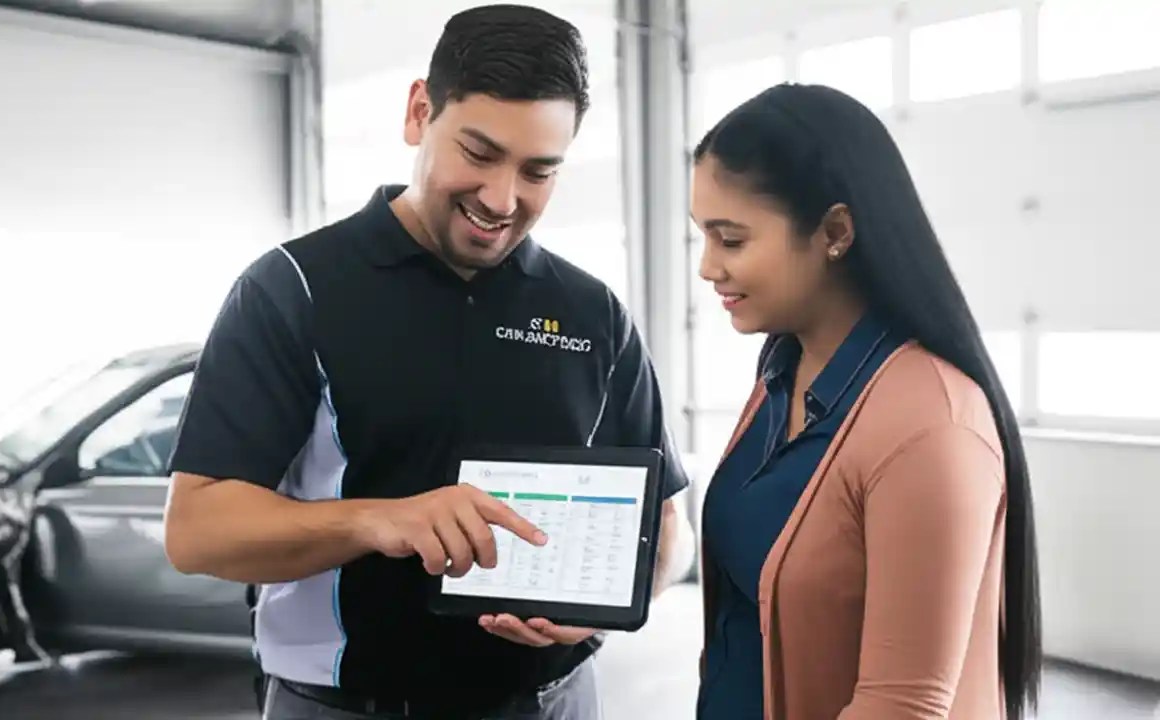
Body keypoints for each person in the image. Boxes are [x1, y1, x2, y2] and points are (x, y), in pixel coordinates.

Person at [164, 5, 692, 720]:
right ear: (420, 112)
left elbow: (667, 529)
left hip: (553, 703)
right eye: (478, 153)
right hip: (346, 705)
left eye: (538, 171)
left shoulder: (592, 314)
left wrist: (606, 609)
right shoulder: (293, 289)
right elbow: (196, 531)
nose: (502, 199)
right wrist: (376, 522)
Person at [689, 83, 1042, 720]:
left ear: (835, 232)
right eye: (703, 238)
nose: (708, 267)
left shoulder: (932, 426)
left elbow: (902, 705)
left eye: (731, 240)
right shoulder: (781, 370)